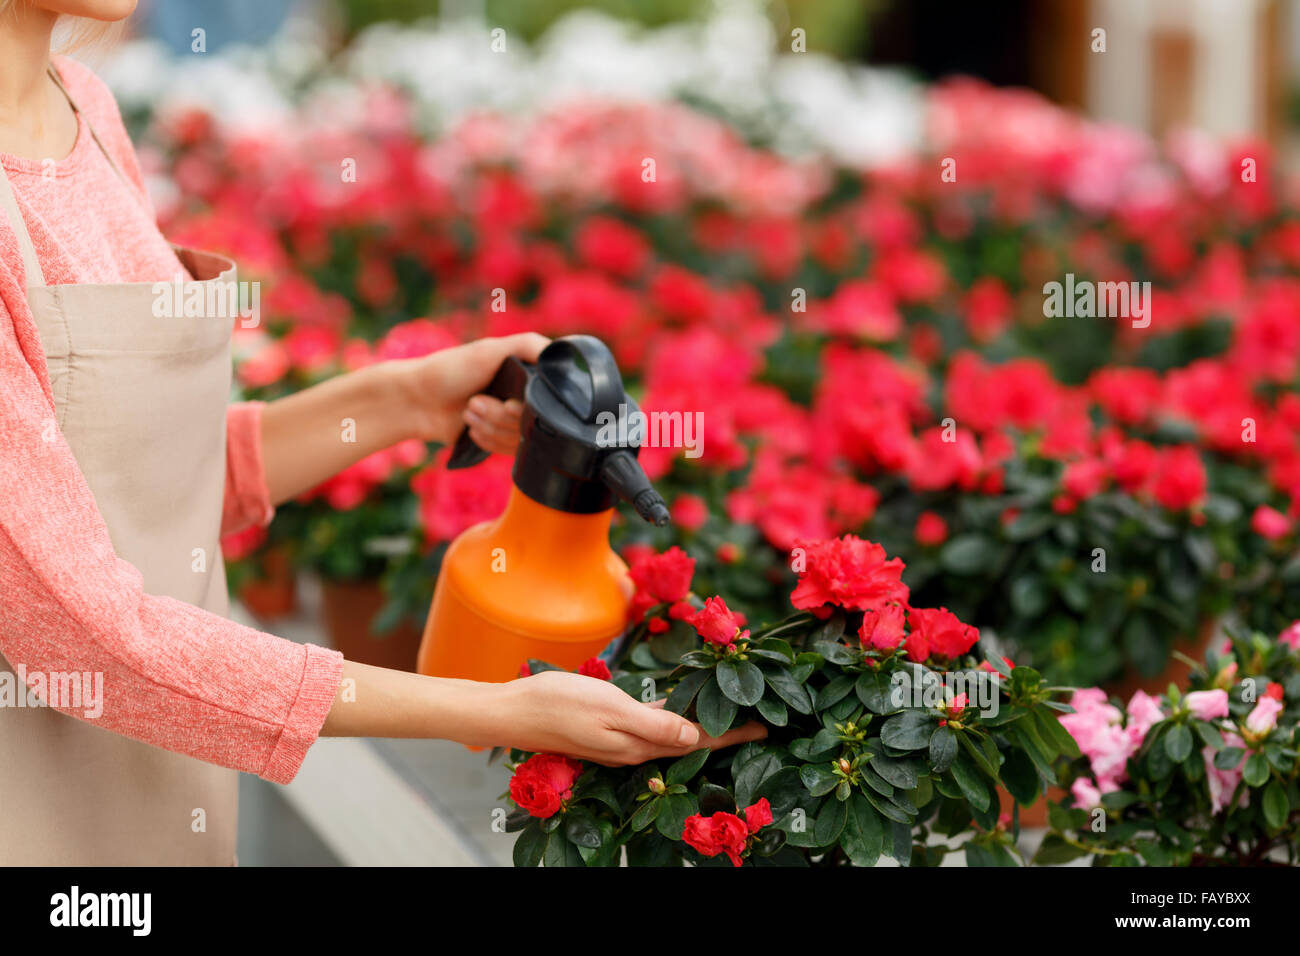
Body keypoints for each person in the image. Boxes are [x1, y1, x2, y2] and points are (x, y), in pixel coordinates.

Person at [0, 0, 762, 865]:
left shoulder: (86, 111)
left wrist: (406, 400)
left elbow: (152, 487)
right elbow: (86, 635)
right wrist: (490, 709)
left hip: (151, 794)